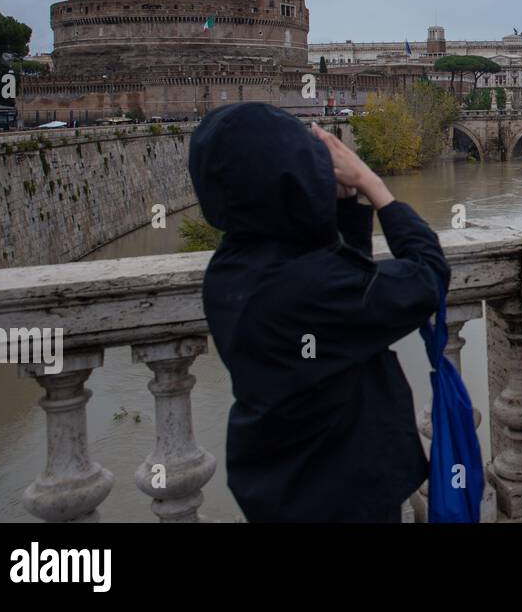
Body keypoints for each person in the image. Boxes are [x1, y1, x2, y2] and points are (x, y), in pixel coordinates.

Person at [188, 102, 445, 522]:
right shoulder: (314, 286)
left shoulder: (230, 269)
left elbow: (343, 294)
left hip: (280, 482)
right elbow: (428, 279)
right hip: (344, 490)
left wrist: (341, 209)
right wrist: (374, 187)